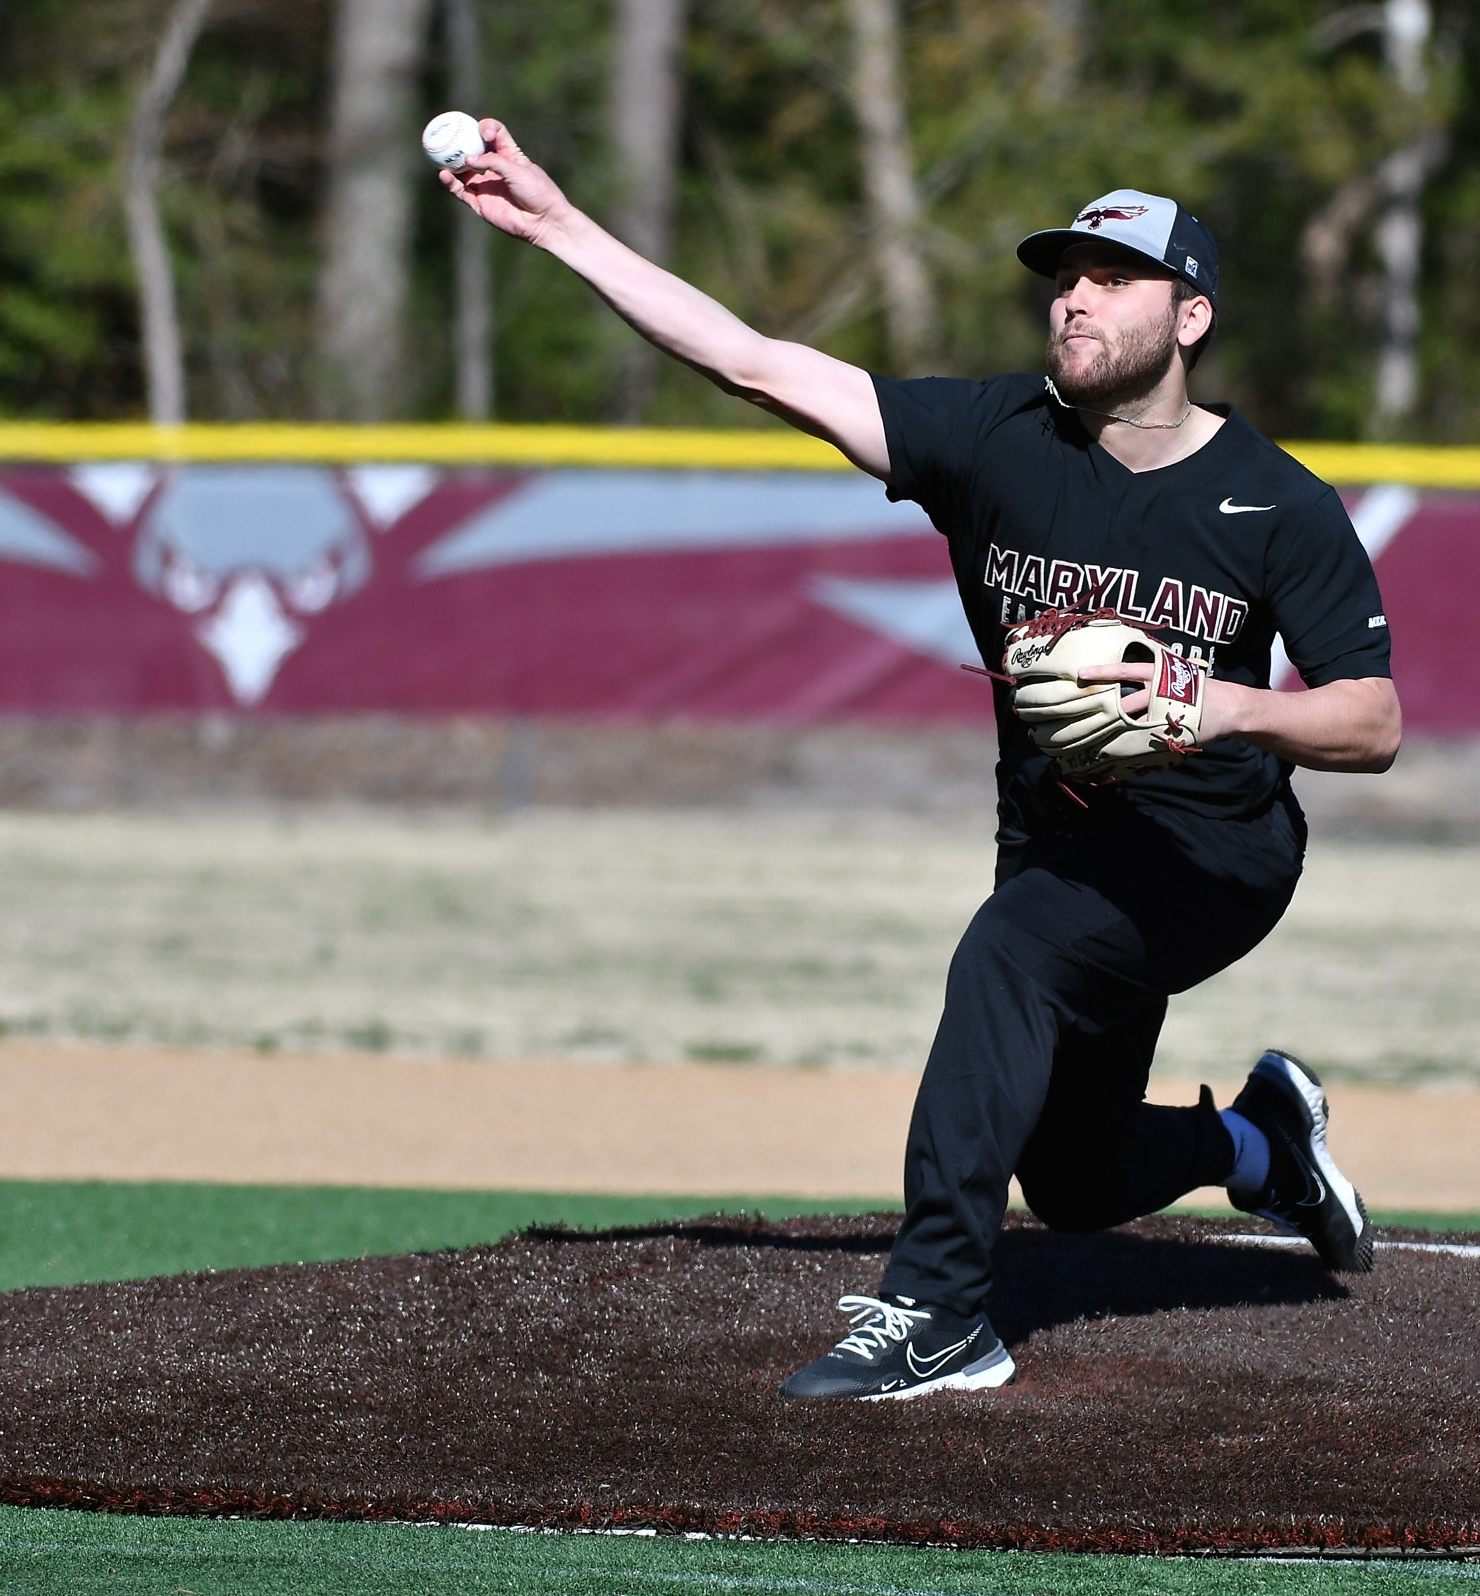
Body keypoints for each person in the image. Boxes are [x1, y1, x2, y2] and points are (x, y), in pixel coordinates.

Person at [440, 123, 1402, 1401]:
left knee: (1007, 953)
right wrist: (557, 223)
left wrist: (1216, 706)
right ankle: (1259, 1145)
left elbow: (1371, 721)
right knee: (1071, 1179)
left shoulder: (1273, 502)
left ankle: (936, 1308)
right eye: (1062, 274)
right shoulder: (995, 437)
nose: (1073, 294)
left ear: (1190, 318)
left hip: (1209, 848)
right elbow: (749, 361)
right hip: (1062, 838)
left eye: (1111, 277)